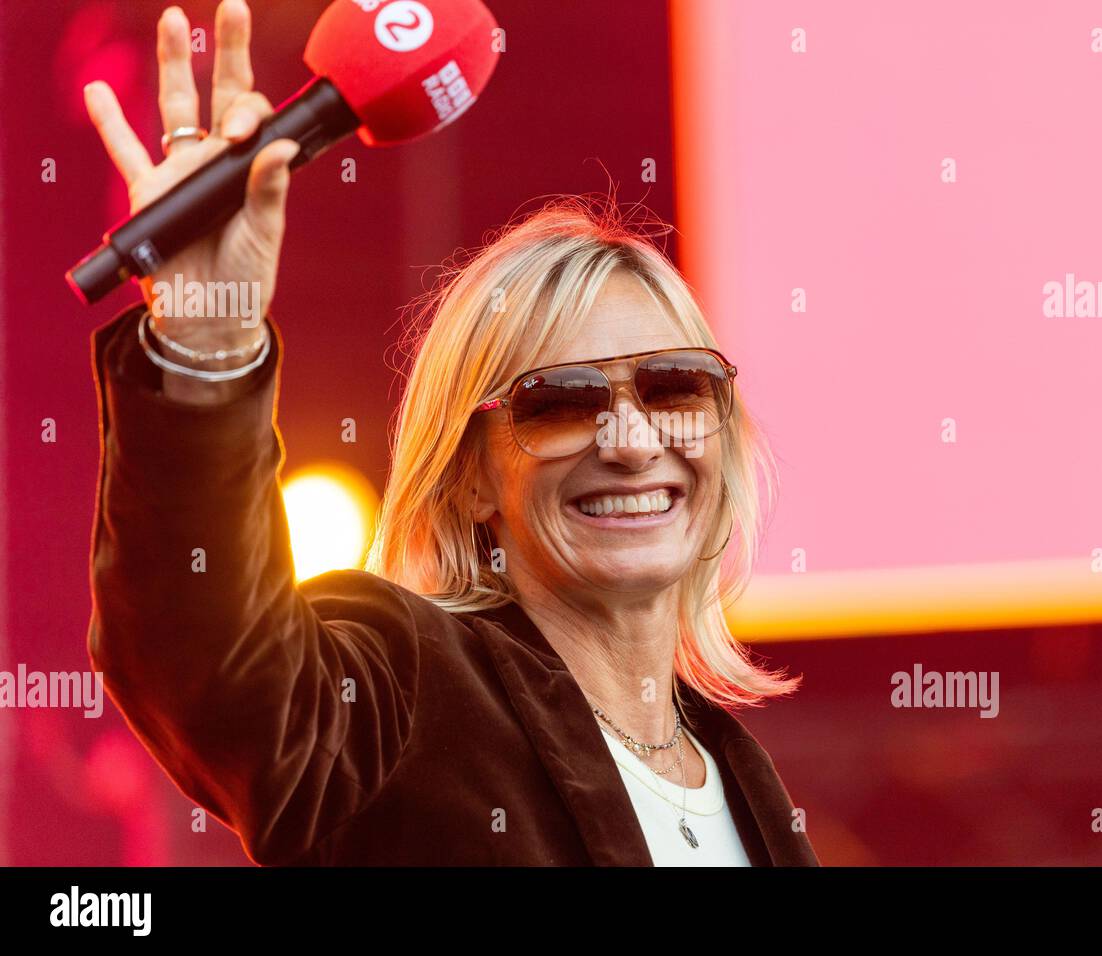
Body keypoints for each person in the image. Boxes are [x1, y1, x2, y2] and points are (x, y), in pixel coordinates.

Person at [83, 0, 818, 866]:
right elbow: (217, 669)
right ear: (470, 478)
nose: (628, 439)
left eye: (673, 387)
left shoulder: (744, 779)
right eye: (561, 402)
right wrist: (208, 337)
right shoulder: (410, 686)